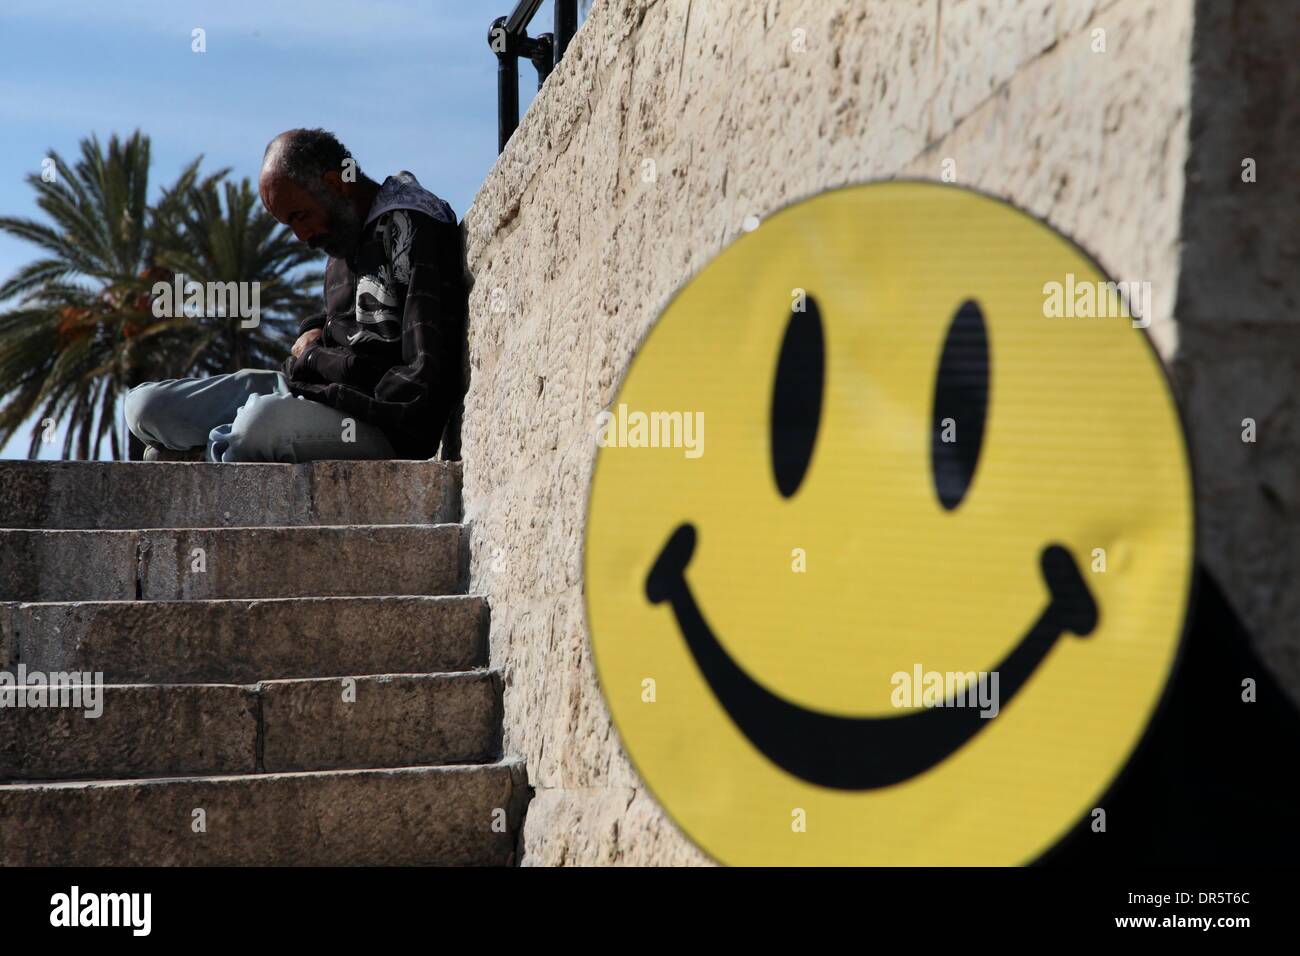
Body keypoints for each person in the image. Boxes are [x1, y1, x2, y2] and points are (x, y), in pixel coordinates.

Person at [125, 128, 465, 462]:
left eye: (301, 216)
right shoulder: (341, 239)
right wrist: (314, 329)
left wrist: (316, 359)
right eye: (289, 224)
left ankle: (208, 451)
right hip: (305, 390)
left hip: (375, 422)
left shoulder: (413, 227)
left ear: (335, 183)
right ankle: (213, 445)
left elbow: (420, 379)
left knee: (257, 424)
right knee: (144, 406)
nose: (301, 235)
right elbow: (343, 321)